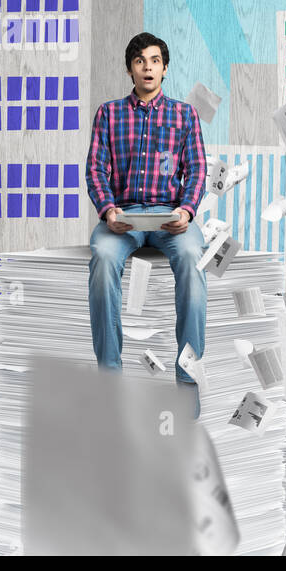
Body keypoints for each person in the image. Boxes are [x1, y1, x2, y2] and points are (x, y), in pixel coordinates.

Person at [85, 32, 208, 418]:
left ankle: (187, 382)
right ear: (129, 69)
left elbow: (198, 169)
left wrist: (186, 211)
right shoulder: (108, 113)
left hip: (171, 216)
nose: (147, 67)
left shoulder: (184, 115)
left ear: (165, 68)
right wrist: (108, 211)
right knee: (103, 258)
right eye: (140, 61)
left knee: (192, 260)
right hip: (122, 215)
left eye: (154, 60)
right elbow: (94, 169)